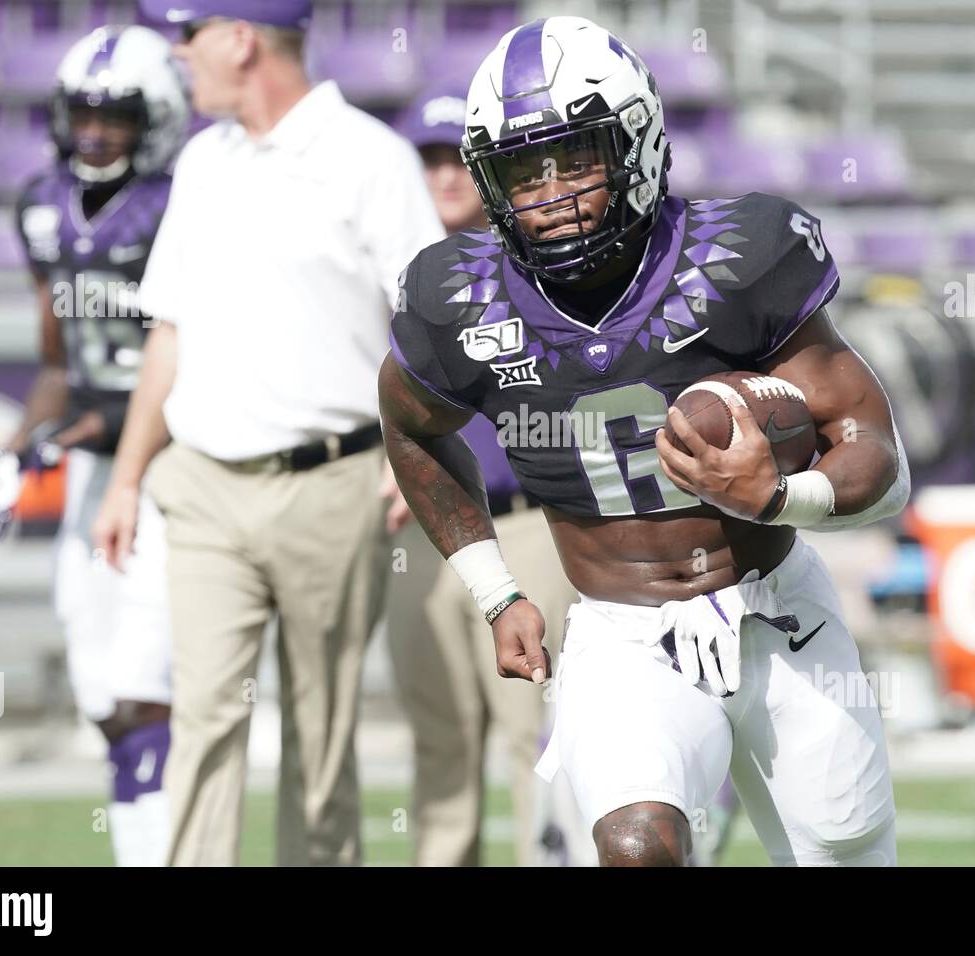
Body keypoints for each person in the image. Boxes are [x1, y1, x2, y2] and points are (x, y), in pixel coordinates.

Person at [380, 16, 908, 867]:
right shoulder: (455, 297)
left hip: (778, 611)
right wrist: (494, 588)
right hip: (622, 635)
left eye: (575, 160)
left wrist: (779, 496)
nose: (550, 196)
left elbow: (877, 456)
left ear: (637, 144)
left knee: (846, 853)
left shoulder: (742, 255)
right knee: (635, 845)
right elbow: (408, 428)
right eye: (522, 171)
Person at [93, 0, 442, 866]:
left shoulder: (371, 158)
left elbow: (434, 325)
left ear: (241, 39)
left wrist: (420, 448)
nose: (176, 53)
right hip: (205, 484)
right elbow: (167, 332)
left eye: (189, 34)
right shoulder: (203, 160)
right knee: (204, 717)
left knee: (321, 739)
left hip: (332, 482)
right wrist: (128, 476)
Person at [0, 24, 189, 866]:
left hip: (171, 466)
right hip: (95, 468)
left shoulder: (183, 205)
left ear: (155, 119)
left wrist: (77, 432)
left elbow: (187, 368)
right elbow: (59, 364)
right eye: (81, 112)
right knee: (101, 694)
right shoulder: (42, 204)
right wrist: (16, 448)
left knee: (142, 686)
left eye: (114, 115)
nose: (93, 132)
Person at [385, 86, 579, 866]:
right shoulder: (389, 268)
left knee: (536, 730)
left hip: (527, 522)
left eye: (455, 159)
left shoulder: (547, 265)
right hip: (420, 525)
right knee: (438, 735)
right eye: (425, 162)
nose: (443, 177)